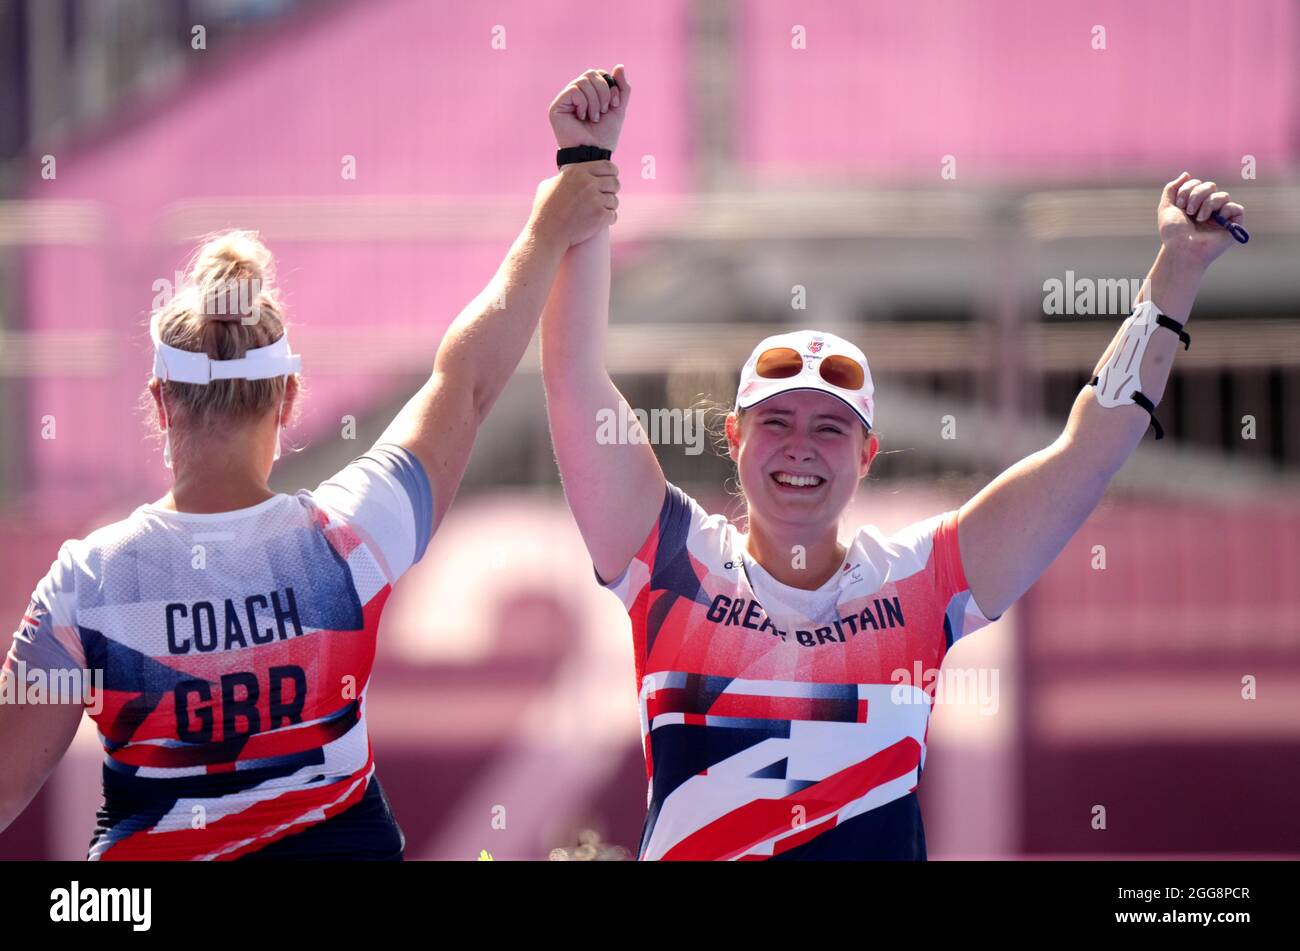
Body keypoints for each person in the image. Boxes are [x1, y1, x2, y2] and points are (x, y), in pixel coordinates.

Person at [540, 68, 1243, 859]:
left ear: (867, 454)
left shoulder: (924, 580)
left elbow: (1088, 452)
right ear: (733, 439)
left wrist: (1175, 276)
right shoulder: (669, 556)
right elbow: (572, 376)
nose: (802, 444)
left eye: (832, 428)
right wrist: (587, 164)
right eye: (777, 421)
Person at [0, 115, 619, 859]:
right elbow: (468, 382)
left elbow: (6, 785)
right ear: (288, 400)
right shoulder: (349, 537)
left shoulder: (85, 580)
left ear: (160, 402)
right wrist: (550, 224)